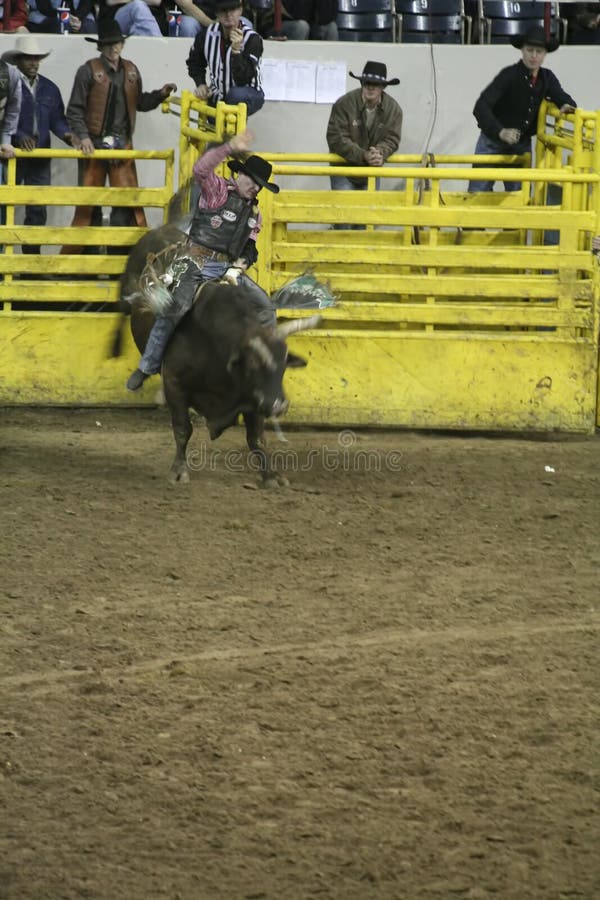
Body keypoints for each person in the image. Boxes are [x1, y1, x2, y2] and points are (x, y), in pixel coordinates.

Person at [126, 129, 277, 391]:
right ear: (239, 174)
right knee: (175, 309)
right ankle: (147, 366)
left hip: (227, 268)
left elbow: (250, 249)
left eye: (259, 185)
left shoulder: (255, 213)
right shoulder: (218, 191)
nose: (254, 187)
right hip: (194, 261)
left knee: (266, 308)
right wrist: (229, 147)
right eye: (252, 180)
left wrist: (236, 270)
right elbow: (200, 170)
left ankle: (261, 363)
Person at [63, 20, 177, 252]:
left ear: (122, 45)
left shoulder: (131, 71)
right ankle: (86, 261)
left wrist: (160, 95)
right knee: (89, 206)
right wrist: (83, 137)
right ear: (100, 47)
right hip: (93, 145)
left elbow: (140, 102)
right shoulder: (87, 71)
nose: (113, 49)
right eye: (108, 45)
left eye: (116, 44)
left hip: (122, 144)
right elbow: (74, 110)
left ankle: (120, 259)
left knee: (125, 204)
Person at [469, 25, 577, 192]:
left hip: (520, 144)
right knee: (477, 193)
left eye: (539, 51)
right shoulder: (509, 75)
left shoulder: (546, 77)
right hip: (492, 142)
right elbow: (480, 107)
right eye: (530, 50)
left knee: (520, 194)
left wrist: (565, 104)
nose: (534, 56)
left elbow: (560, 95)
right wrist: (500, 132)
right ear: (522, 51)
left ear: (544, 55)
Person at [2, 35, 79, 257]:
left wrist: (68, 136)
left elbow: (57, 120)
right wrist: (18, 136)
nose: (34, 62)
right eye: (29, 58)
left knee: (37, 210)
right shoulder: (6, 86)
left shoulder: (49, 89)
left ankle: (30, 262)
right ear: (18, 60)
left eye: (36, 58)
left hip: (39, 158)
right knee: (3, 207)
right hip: (11, 156)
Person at [326, 60, 402, 229]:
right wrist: (364, 155)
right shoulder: (344, 103)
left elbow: (392, 139)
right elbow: (336, 137)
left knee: (366, 221)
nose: (370, 87)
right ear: (362, 83)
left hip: (370, 171)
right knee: (344, 219)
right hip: (344, 169)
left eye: (375, 84)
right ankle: (341, 254)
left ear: (383, 87)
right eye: (367, 83)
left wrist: (380, 153)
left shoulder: (393, 109)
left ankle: (358, 255)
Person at [186, 0, 265, 117]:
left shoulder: (252, 39)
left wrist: (236, 51)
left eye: (232, 9)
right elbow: (194, 62)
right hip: (219, 95)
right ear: (217, 13)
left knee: (235, 96)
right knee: (213, 118)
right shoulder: (206, 35)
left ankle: (232, 126)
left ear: (240, 11)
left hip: (249, 92)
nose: (228, 15)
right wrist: (201, 83)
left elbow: (243, 80)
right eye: (223, 10)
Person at [257, 0, 338, 40]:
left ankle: (331, 69)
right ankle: (297, 66)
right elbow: (295, 13)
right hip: (277, 25)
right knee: (301, 27)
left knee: (331, 28)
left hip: (308, 24)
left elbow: (328, 17)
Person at [96, 0, 163, 37]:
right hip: (116, 18)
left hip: (147, 20)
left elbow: (157, 1)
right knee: (137, 5)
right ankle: (160, 46)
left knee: (136, 30)